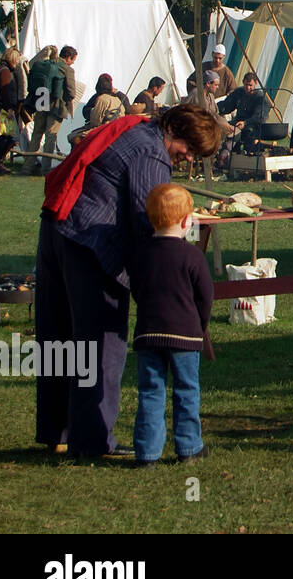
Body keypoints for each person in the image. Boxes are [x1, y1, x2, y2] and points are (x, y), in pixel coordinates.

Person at [35, 104, 221, 458]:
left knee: (58, 338)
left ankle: (56, 431)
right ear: (176, 132)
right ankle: (91, 441)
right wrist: (160, 284)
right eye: (189, 149)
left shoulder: (135, 129)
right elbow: (148, 221)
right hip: (90, 246)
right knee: (100, 344)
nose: (188, 158)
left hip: (59, 229)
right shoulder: (152, 154)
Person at [130, 183, 214, 466]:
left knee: (150, 392)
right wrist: (199, 326)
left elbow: (137, 289)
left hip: (149, 333)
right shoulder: (193, 256)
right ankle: (189, 448)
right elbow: (205, 296)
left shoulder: (140, 255)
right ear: (186, 221)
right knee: (187, 390)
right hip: (186, 336)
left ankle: (147, 453)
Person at [24, 45, 65, 172]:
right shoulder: (57, 68)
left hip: (40, 101)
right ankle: (45, 168)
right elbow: (58, 92)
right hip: (52, 103)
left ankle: (27, 166)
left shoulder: (38, 65)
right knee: (50, 137)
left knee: (36, 134)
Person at [218, 71, 269, 151]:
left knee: (248, 134)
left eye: (250, 85)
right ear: (243, 83)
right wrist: (215, 110)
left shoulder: (260, 98)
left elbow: (260, 117)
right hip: (237, 122)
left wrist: (245, 123)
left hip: (253, 126)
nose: (248, 88)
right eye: (246, 85)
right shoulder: (239, 92)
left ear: (255, 83)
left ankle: (243, 153)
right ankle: (222, 153)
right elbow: (227, 105)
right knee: (222, 128)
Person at [0, 47, 25, 173]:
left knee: (4, 136)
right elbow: (6, 92)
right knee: (7, 137)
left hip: (0, 107)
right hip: (3, 109)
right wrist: (9, 108)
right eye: (17, 59)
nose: (18, 62)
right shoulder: (5, 72)